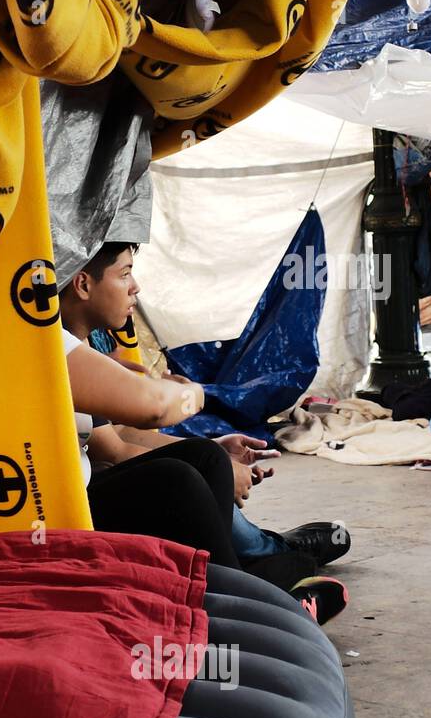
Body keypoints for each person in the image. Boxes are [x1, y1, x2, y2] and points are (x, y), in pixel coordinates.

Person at [59, 240, 349, 623]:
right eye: (125, 274)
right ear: (81, 284)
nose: (136, 288)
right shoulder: (53, 346)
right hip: (65, 509)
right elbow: (137, 424)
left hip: (86, 491)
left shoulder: (85, 347)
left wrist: (215, 450)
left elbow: (123, 430)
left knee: (203, 457)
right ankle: (246, 599)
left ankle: (253, 574)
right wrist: (193, 393)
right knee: (179, 478)